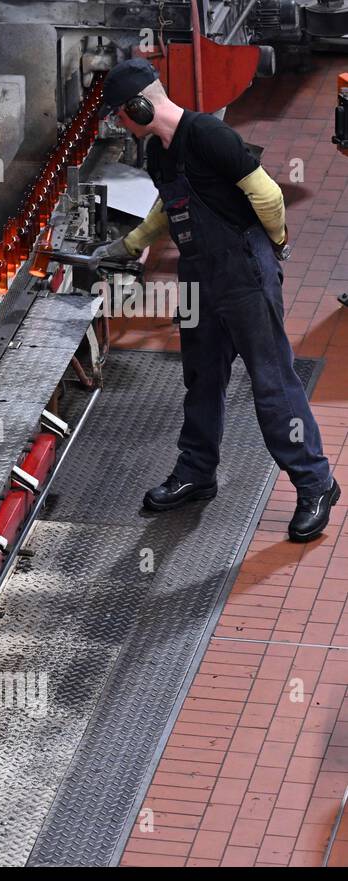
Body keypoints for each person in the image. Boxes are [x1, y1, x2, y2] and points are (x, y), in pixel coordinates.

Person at [96, 57, 338, 542]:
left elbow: (267, 194)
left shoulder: (208, 134)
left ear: (141, 106)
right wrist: (130, 245)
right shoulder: (159, 154)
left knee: (271, 382)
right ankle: (197, 471)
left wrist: (276, 243)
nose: (120, 124)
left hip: (242, 271)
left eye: (121, 114)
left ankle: (316, 484)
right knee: (202, 377)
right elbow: (172, 206)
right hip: (197, 274)